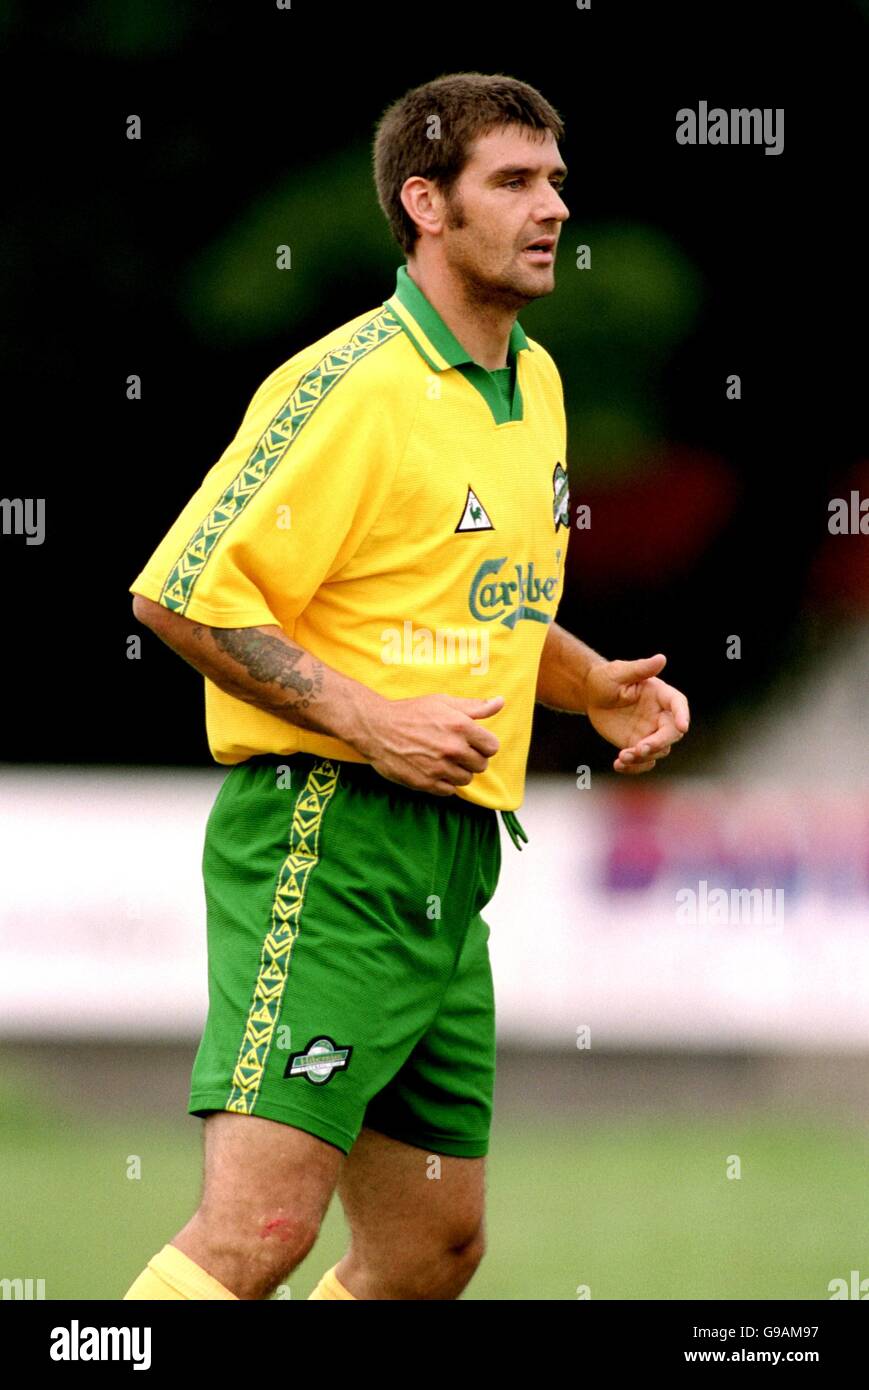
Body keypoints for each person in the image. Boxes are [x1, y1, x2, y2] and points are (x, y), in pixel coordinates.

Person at [124, 72, 689, 1302]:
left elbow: (474, 605)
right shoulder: (347, 385)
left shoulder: (531, 380)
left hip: (451, 856)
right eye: (514, 182)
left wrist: (588, 682)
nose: (552, 207)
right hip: (326, 838)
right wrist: (367, 721)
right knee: (257, 1235)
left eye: (553, 180)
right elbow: (177, 592)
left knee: (429, 1250)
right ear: (425, 204)